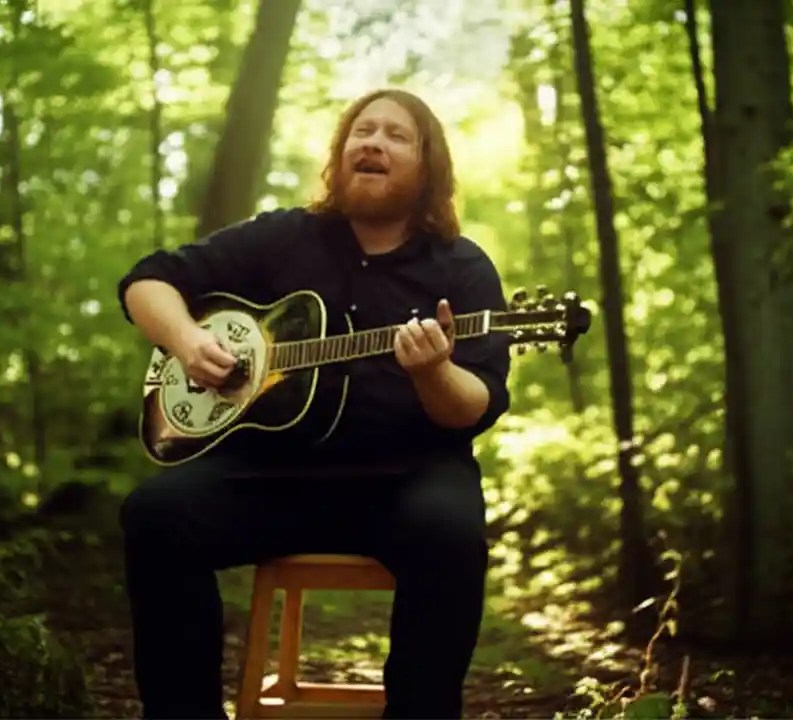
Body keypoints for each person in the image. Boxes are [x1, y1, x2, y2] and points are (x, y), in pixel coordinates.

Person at [115, 88, 512, 719]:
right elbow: (147, 281)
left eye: (395, 136)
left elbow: (476, 406)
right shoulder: (283, 237)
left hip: (408, 479)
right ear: (342, 152)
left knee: (452, 535)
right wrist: (189, 341)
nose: (373, 142)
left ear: (427, 164)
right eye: (363, 130)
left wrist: (433, 371)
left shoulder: (461, 268)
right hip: (273, 476)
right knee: (155, 514)